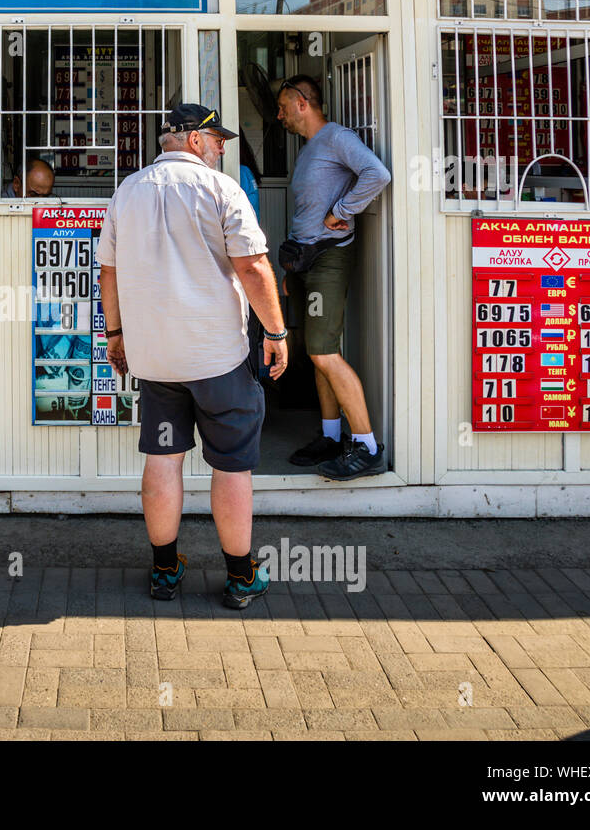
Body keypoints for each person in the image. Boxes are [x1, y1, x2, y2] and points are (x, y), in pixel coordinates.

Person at [98, 104, 288, 610]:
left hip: (155, 359)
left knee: (163, 458)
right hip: (217, 358)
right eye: (217, 138)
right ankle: (241, 577)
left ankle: (165, 571)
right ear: (194, 140)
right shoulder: (221, 189)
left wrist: (116, 335)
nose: (223, 147)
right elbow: (253, 267)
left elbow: (108, 273)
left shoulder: (127, 191)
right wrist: (276, 332)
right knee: (232, 466)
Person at [276, 74, 392, 480]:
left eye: (283, 107)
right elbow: (307, 211)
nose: (280, 116)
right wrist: (292, 269)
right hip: (305, 262)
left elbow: (378, 174)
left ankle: (367, 448)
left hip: (329, 258)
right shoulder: (309, 149)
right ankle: (330, 437)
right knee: (316, 352)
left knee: (325, 352)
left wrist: (342, 211)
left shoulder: (337, 137)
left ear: (302, 102)